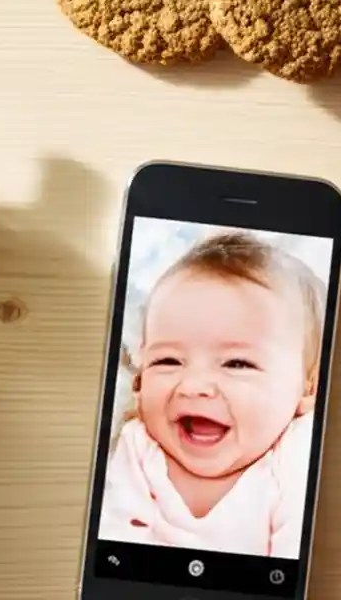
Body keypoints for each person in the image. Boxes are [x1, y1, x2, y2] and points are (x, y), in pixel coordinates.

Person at [100, 231, 327, 559]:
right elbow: (113, 542)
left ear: (309, 387)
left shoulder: (294, 452)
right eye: (168, 360)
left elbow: (295, 553)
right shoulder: (139, 446)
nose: (194, 386)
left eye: (237, 363)